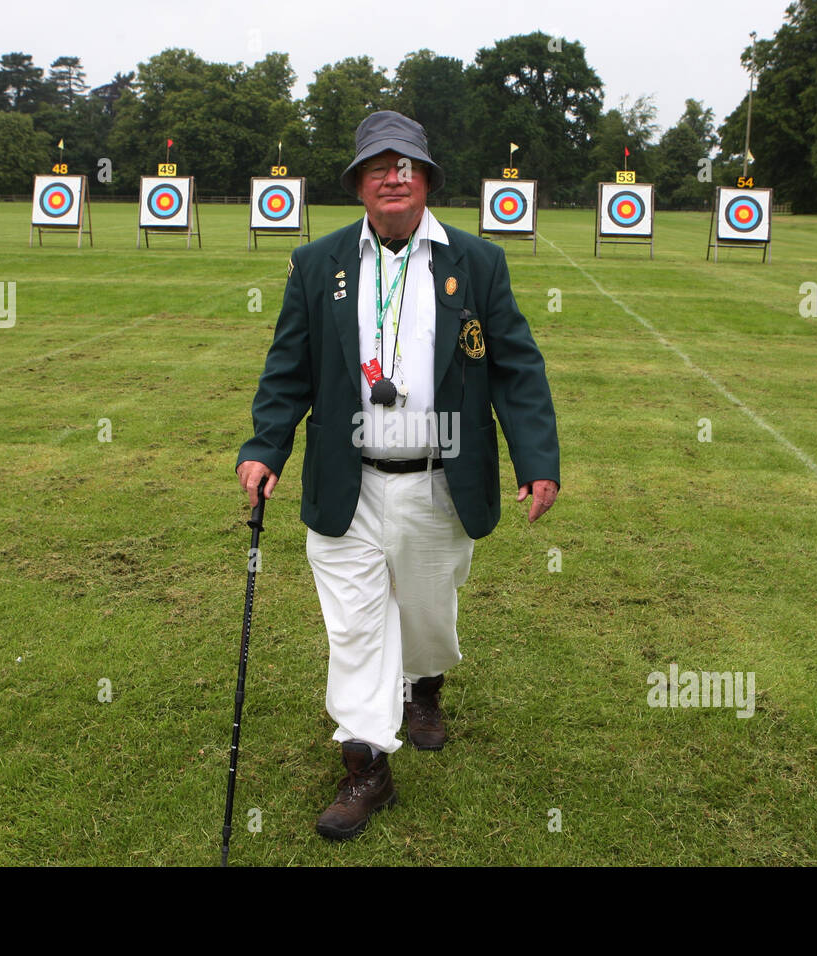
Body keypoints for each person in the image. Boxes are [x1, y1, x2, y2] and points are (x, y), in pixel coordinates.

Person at [236, 110, 560, 841]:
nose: (393, 176)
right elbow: (288, 369)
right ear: (358, 183)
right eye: (378, 166)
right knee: (354, 627)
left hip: (440, 481)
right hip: (346, 481)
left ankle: (425, 683)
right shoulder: (317, 264)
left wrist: (538, 460)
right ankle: (365, 763)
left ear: (426, 180)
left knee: (426, 614)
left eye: (405, 165)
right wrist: (265, 446)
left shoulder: (476, 263)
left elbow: (516, 368)